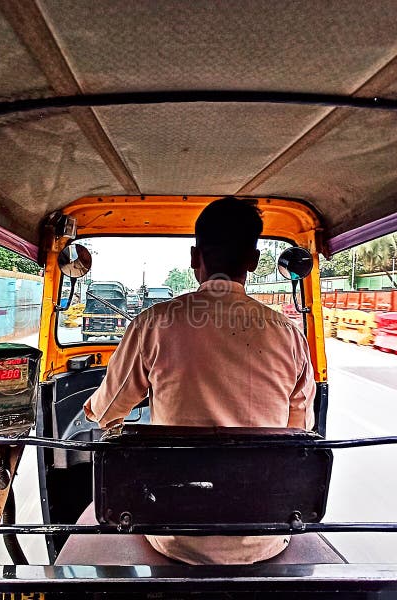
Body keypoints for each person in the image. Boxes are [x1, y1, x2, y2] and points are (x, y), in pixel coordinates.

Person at [83, 196, 316, 565]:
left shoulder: (155, 323)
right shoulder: (287, 333)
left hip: (175, 535)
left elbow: (109, 409)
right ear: (253, 262)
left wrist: (95, 410)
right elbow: (299, 430)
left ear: (195, 257)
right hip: (266, 535)